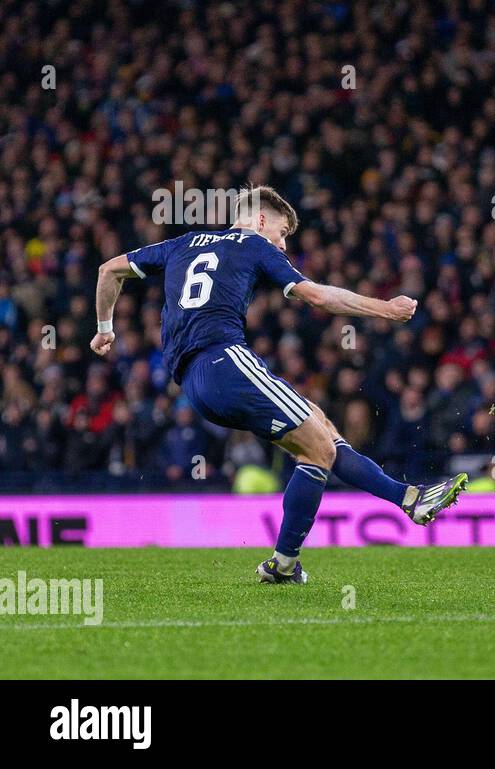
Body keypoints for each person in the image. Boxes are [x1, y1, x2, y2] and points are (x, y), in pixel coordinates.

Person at [90, 186, 468, 584]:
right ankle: (406, 499)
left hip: (195, 381)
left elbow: (108, 270)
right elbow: (317, 297)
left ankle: (287, 565)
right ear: (261, 220)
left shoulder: (181, 244)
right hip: (226, 362)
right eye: (283, 232)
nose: (284, 243)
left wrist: (103, 330)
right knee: (320, 446)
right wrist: (385, 309)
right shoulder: (254, 245)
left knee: (319, 432)